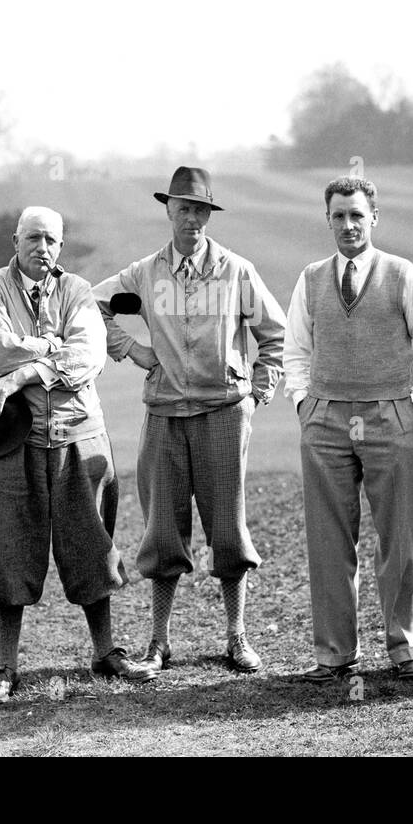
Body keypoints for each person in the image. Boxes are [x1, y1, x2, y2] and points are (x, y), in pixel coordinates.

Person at [92, 166, 286, 673]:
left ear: (208, 215)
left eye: (201, 209)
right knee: (163, 529)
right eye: (184, 208)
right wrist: (132, 349)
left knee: (228, 527)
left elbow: (276, 333)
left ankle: (237, 637)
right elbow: (91, 304)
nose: (193, 218)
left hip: (223, 412)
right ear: (169, 211)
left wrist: (260, 387)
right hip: (164, 415)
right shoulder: (145, 274)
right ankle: (158, 643)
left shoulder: (236, 271)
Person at [0, 205, 155, 704]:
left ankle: (106, 652)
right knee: (7, 549)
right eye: (32, 238)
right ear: (15, 240)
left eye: (51, 240)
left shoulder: (76, 290)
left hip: (79, 434)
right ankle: (5, 668)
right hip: (11, 440)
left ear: (61, 246)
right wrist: (50, 347)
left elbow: (90, 354)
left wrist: (25, 373)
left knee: (92, 543)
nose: (42, 248)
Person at [282, 175, 413, 682]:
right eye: (338, 216)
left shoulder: (402, 274)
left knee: (398, 537)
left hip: (389, 417)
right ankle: (334, 654)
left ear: (374, 218)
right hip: (325, 420)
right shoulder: (310, 278)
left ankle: (406, 648)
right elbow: (296, 350)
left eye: (357, 215)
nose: (348, 224)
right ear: (327, 219)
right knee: (329, 539)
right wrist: (304, 405)